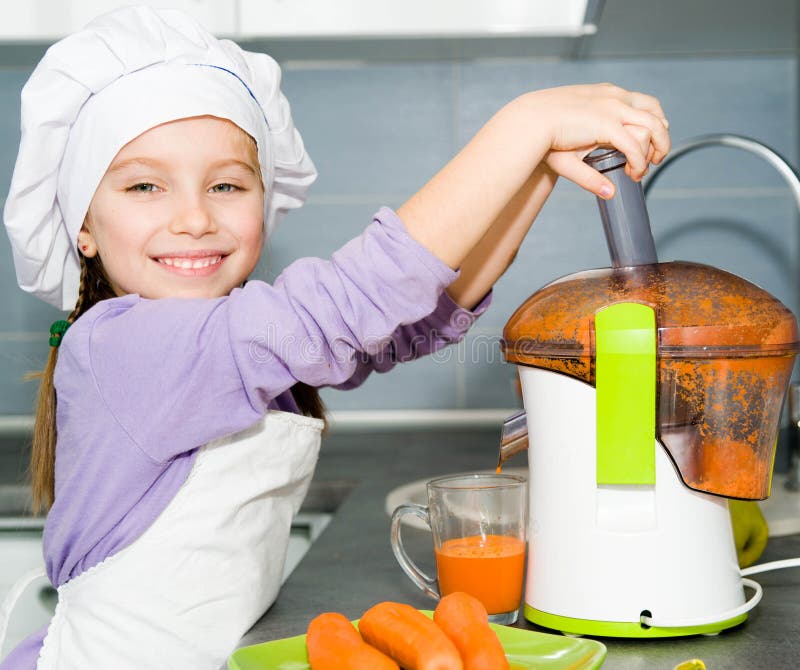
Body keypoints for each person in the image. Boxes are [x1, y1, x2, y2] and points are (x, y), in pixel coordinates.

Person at [0, 5, 669, 669]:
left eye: (227, 184)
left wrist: (537, 172)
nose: (195, 217)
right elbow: (351, 302)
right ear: (82, 227)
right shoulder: (120, 347)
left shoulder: (235, 347)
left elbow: (413, 318)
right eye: (145, 185)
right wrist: (525, 123)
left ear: (265, 200)